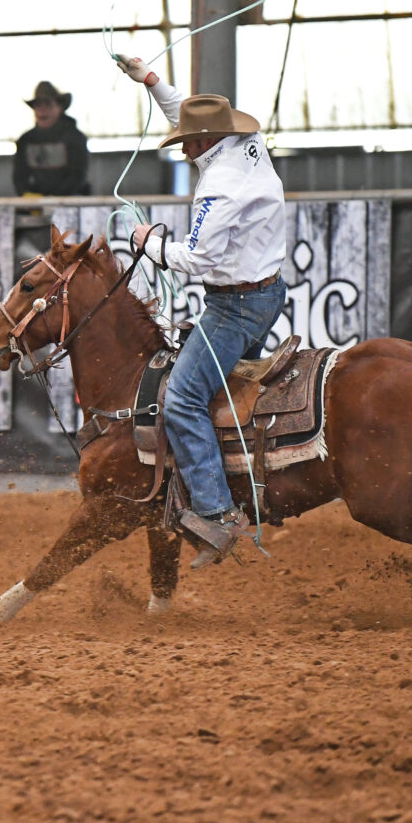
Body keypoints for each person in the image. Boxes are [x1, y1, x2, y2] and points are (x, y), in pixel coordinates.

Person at [118, 56, 287, 566]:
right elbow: (189, 115)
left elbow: (198, 259)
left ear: (208, 141)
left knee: (183, 399)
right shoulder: (245, 142)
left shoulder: (219, 188)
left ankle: (216, 513)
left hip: (235, 307)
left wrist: (148, 243)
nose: (183, 147)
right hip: (265, 293)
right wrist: (150, 81)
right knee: (227, 396)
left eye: (189, 142)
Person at [13, 80, 90, 196]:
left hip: (71, 198)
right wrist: (26, 194)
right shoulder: (26, 140)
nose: (42, 110)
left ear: (60, 107)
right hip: (38, 199)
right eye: (38, 105)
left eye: (48, 104)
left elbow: (77, 176)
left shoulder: (74, 137)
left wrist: (55, 198)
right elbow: (20, 176)